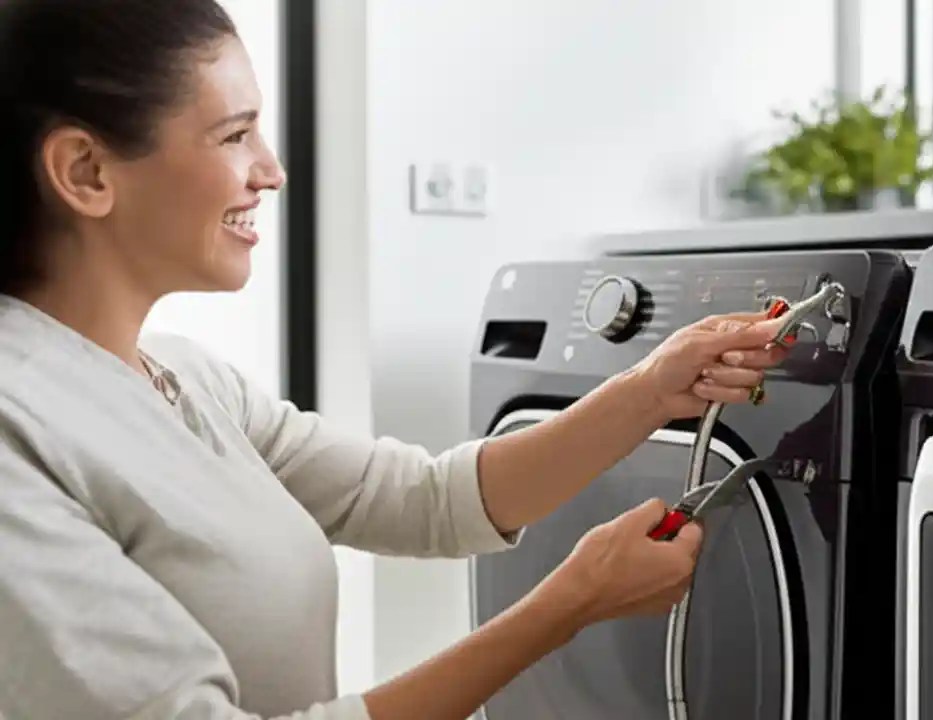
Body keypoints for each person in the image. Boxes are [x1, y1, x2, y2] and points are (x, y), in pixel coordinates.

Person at [0, 2, 790, 719]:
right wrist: (570, 605)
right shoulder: (17, 434)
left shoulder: (186, 380)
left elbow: (422, 498)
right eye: (235, 134)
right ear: (85, 172)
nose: (271, 170)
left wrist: (650, 391)